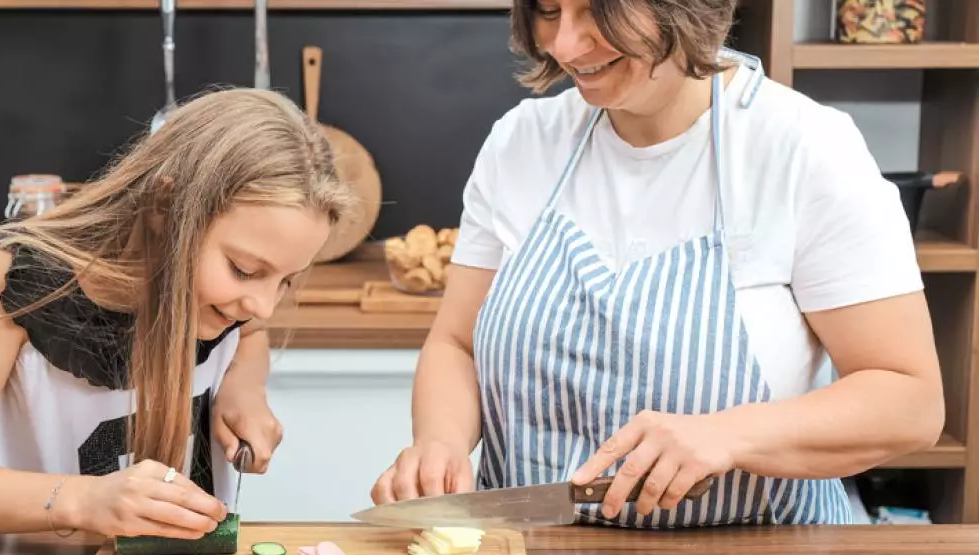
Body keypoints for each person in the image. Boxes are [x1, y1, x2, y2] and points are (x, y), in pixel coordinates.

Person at [370, 0, 945, 527]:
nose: (565, 45)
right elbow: (458, 343)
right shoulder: (522, 142)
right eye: (548, 10)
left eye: (600, 12)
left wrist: (730, 435)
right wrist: (441, 443)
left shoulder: (802, 146)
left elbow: (908, 401)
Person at [0, 88, 353, 539]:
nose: (263, 305)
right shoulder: (13, 273)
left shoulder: (226, 299)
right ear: (164, 208)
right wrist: (83, 501)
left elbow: (250, 336)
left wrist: (243, 387)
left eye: (286, 280)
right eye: (244, 270)